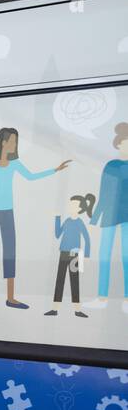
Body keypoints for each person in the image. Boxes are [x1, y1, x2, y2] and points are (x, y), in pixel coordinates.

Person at [0, 127, 71, 310]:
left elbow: (31, 177)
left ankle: (10, 298)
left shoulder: (14, 164)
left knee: (10, 253)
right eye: (12, 141)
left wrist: (55, 170)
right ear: (3, 142)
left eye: (15, 142)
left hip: (8, 213)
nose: (14, 145)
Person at [86, 121, 128, 313]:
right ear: (118, 144)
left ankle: (127, 300)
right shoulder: (111, 165)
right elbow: (104, 192)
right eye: (125, 142)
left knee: (126, 257)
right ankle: (102, 297)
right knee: (104, 256)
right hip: (110, 215)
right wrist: (95, 219)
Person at [45, 194, 94, 318]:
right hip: (63, 253)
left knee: (74, 281)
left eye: (74, 205)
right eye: (70, 204)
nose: (71, 207)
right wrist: (57, 218)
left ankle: (77, 310)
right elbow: (57, 235)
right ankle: (54, 309)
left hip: (75, 255)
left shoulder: (80, 222)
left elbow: (87, 239)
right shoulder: (66, 220)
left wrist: (86, 255)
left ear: (79, 208)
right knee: (59, 280)